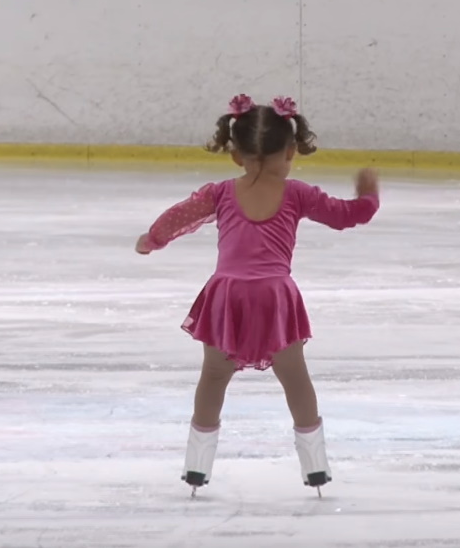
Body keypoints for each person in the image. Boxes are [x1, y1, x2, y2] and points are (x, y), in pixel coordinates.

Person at [135, 93, 380, 496]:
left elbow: (179, 216)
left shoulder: (220, 192)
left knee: (214, 376)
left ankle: (197, 468)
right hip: (275, 296)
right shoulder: (298, 193)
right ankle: (315, 468)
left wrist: (152, 239)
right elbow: (345, 216)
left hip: (227, 294)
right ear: (291, 150)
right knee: (295, 378)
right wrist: (368, 197)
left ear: (235, 154)